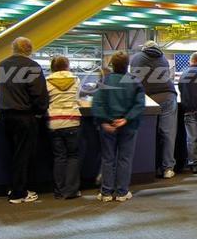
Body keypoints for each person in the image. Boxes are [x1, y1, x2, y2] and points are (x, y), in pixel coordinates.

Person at [0, 37, 49, 204]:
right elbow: (39, 94)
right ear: (30, 49)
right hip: (24, 117)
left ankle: (14, 187)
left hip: (5, 115)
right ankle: (19, 193)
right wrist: (40, 112)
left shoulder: (2, 65)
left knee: (12, 153)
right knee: (23, 155)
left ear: (13, 48)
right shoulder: (32, 66)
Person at [92, 51, 145, 202]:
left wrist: (106, 121)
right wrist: (126, 119)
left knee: (108, 159)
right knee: (125, 159)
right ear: (127, 65)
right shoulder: (134, 81)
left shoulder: (105, 80)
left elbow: (97, 103)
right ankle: (122, 192)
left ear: (112, 65)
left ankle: (106, 192)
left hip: (108, 127)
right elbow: (139, 105)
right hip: (128, 127)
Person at [129, 40, 177, 179]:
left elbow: (134, 80)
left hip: (148, 98)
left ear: (144, 48)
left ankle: (150, 167)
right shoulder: (163, 58)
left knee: (148, 134)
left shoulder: (137, 58)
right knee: (168, 134)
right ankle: (168, 168)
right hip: (168, 95)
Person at [46, 55, 81, 200]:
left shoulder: (46, 81)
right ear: (67, 66)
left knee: (59, 157)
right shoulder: (76, 80)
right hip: (72, 120)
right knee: (73, 156)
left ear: (52, 67)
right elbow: (77, 98)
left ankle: (59, 191)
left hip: (54, 122)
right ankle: (71, 191)